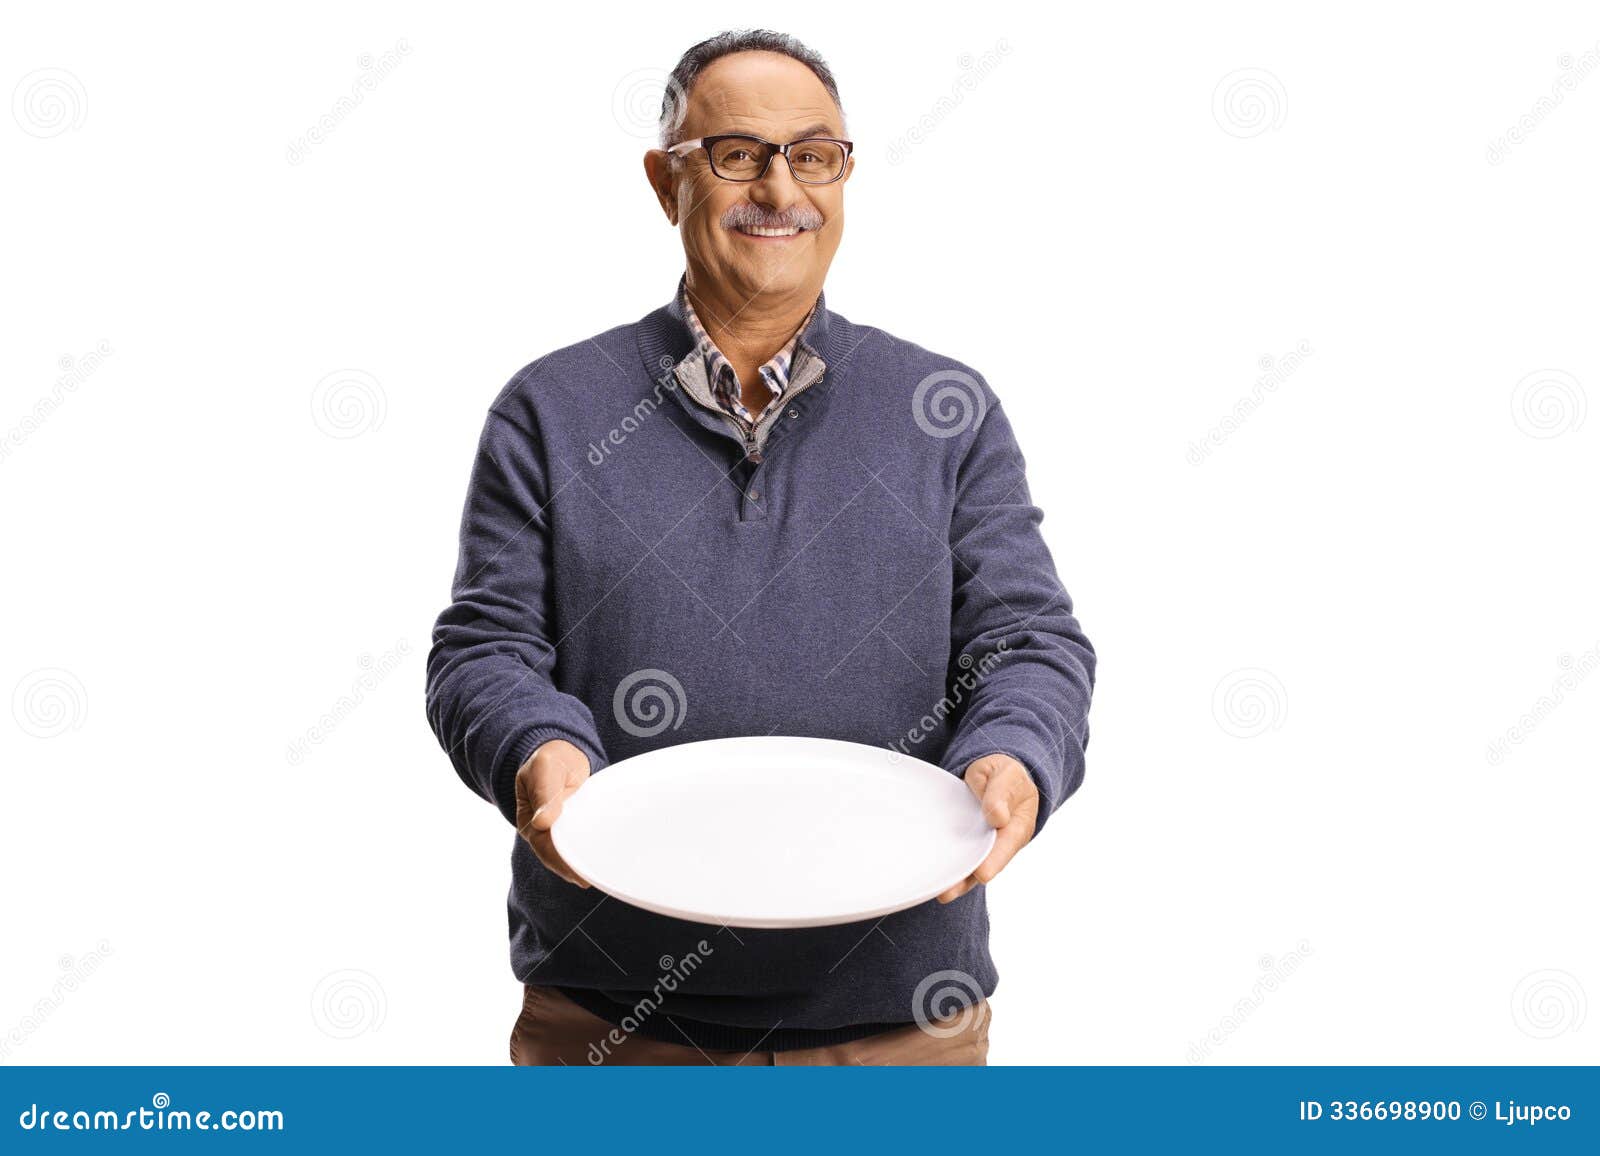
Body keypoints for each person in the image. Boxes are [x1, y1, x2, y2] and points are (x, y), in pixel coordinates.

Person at [426, 28, 1095, 1065]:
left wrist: (1014, 754)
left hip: (902, 1030)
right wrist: (535, 748)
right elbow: (485, 649)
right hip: (613, 1029)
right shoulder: (550, 409)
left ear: (842, 178)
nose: (779, 188)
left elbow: (1027, 642)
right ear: (666, 181)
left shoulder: (943, 410)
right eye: (737, 153)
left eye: (813, 154)